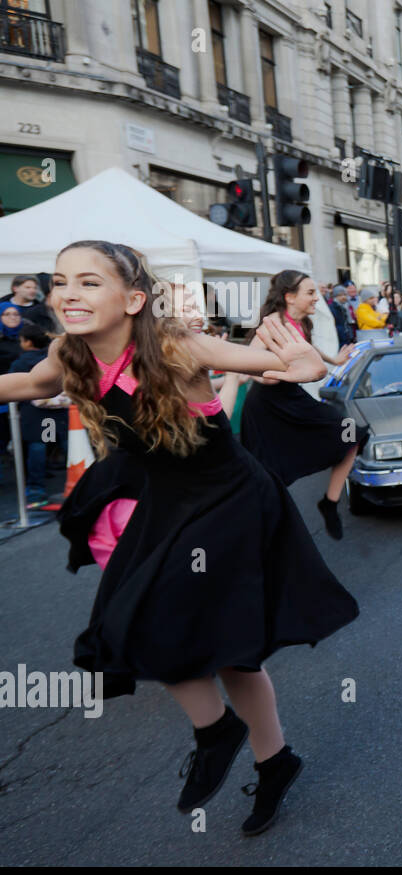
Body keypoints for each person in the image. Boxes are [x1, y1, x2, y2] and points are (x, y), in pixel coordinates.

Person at [0, 240, 358, 834]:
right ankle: (267, 757)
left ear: (134, 299)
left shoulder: (177, 346)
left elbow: (295, 369)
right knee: (169, 636)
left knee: (175, 628)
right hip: (166, 501)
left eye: (89, 282)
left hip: (228, 499)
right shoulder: (70, 353)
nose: (68, 292)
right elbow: (28, 387)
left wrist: (303, 361)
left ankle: (230, 738)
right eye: (61, 281)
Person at [230, 271, 364, 539]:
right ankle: (255, 536)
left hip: (292, 396)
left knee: (352, 434)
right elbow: (247, 361)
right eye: (311, 293)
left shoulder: (301, 323)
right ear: (290, 297)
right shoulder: (274, 324)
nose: (317, 297)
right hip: (267, 406)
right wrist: (264, 376)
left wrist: (334, 361)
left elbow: (306, 349)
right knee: (265, 479)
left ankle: (330, 502)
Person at [10, 323, 60, 507]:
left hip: (35, 413)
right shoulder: (50, 359)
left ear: (27, 342)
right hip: (57, 412)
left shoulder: (21, 362)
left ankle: (36, 489)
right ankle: (49, 472)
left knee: (37, 447)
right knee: (51, 442)